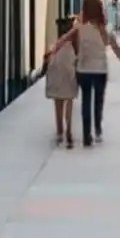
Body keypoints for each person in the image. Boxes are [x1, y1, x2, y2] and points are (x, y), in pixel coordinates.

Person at [46, 0, 120, 147]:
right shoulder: (104, 29)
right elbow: (115, 48)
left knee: (86, 102)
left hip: (84, 69)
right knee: (98, 101)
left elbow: (64, 38)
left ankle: (87, 136)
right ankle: (97, 129)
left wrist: (52, 51)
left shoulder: (80, 27)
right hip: (100, 70)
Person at [43, 18, 78, 149]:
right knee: (69, 103)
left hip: (56, 80)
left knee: (58, 105)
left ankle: (59, 131)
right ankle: (68, 130)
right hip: (69, 78)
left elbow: (47, 62)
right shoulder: (72, 48)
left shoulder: (54, 47)